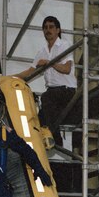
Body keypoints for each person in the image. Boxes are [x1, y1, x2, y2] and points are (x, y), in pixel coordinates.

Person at [15, 15, 77, 146]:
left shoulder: (64, 45)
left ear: (58, 30)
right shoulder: (42, 51)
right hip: (53, 92)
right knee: (39, 121)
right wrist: (11, 77)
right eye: (45, 28)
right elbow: (29, 72)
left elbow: (66, 69)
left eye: (51, 27)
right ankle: (47, 144)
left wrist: (49, 63)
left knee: (46, 98)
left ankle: (57, 138)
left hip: (66, 90)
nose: (48, 30)